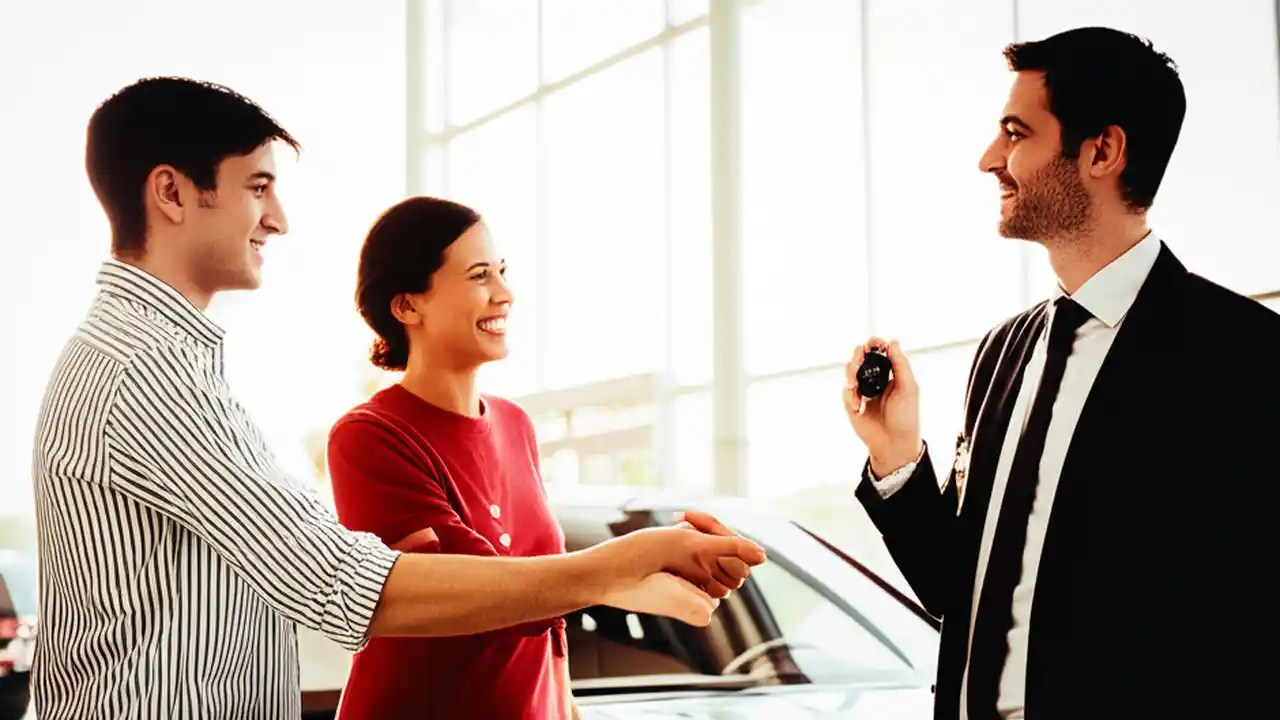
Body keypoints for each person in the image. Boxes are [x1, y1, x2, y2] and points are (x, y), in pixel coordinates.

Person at [30, 77, 766, 720]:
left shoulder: (165, 361)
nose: (279, 219)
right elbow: (340, 585)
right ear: (172, 192)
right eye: (258, 187)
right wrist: (615, 567)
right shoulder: (147, 371)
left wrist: (623, 581)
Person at [843, 27, 1280, 720]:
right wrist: (895, 454)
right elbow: (965, 595)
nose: (991, 159)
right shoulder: (1001, 355)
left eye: (1017, 132)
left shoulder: (1247, 358)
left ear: (1102, 150)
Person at [328, 196, 710, 718]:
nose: (504, 294)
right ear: (407, 306)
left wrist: (567, 708)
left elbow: (547, 624)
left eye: (502, 271)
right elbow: (468, 591)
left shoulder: (515, 424)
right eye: (480, 275)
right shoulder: (370, 436)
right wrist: (631, 573)